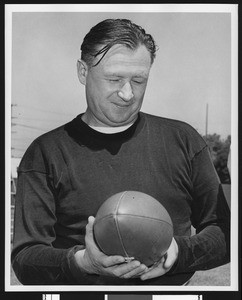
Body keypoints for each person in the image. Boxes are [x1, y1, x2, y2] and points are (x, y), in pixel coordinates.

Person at [11, 18, 230, 285]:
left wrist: (177, 252)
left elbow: (225, 234)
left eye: (138, 80)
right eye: (114, 78)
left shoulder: (184, 141)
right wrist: (83, 262)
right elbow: (26, 258)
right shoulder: (45, 154)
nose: (127, 93)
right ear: (83, 72)